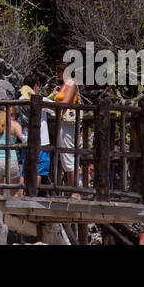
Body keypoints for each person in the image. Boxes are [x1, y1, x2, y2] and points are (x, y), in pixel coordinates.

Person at [51, 57, 80, 193]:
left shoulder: (71, 84)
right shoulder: (63, 85)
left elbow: (66, 102)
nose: (57, 73)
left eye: (59, 71)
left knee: (69, 154)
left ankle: (74, 190)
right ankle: (70, 189)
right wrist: (54, 94)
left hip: (68, 123)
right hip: (61, 121)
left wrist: (53, 103)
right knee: (64, 155)